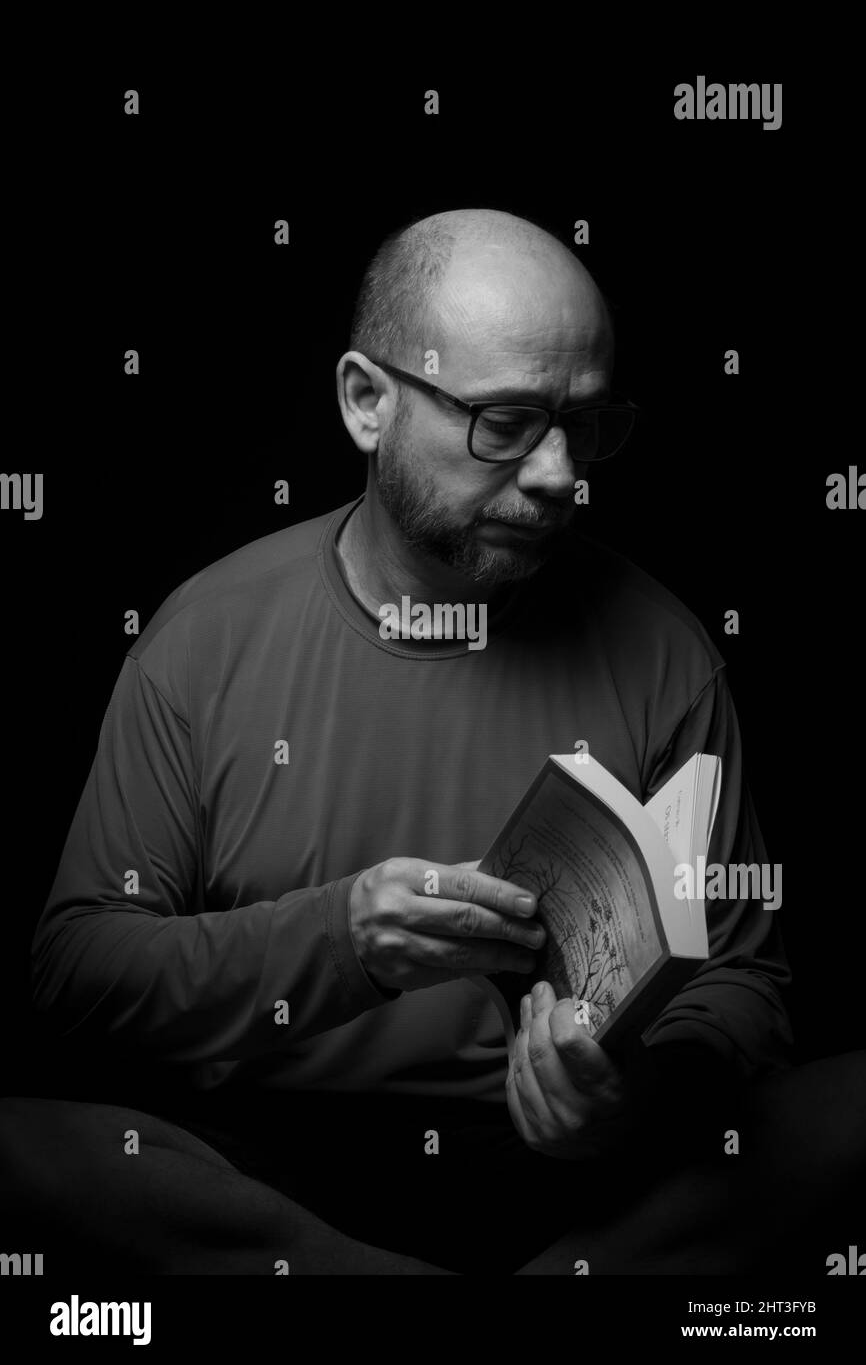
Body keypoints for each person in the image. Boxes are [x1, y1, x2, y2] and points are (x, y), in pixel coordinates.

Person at [1, 209, 862, 1275]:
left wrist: (618, 1098)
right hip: (269, 1167)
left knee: (839, 1111)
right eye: (502, 422)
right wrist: (340, 942)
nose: (557, 476)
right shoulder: (203, 638)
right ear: (367, 403)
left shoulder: (663, 650)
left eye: (581, 425)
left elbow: (745, 987)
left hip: (565, 1178)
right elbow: (76, 974)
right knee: (32, 1143)